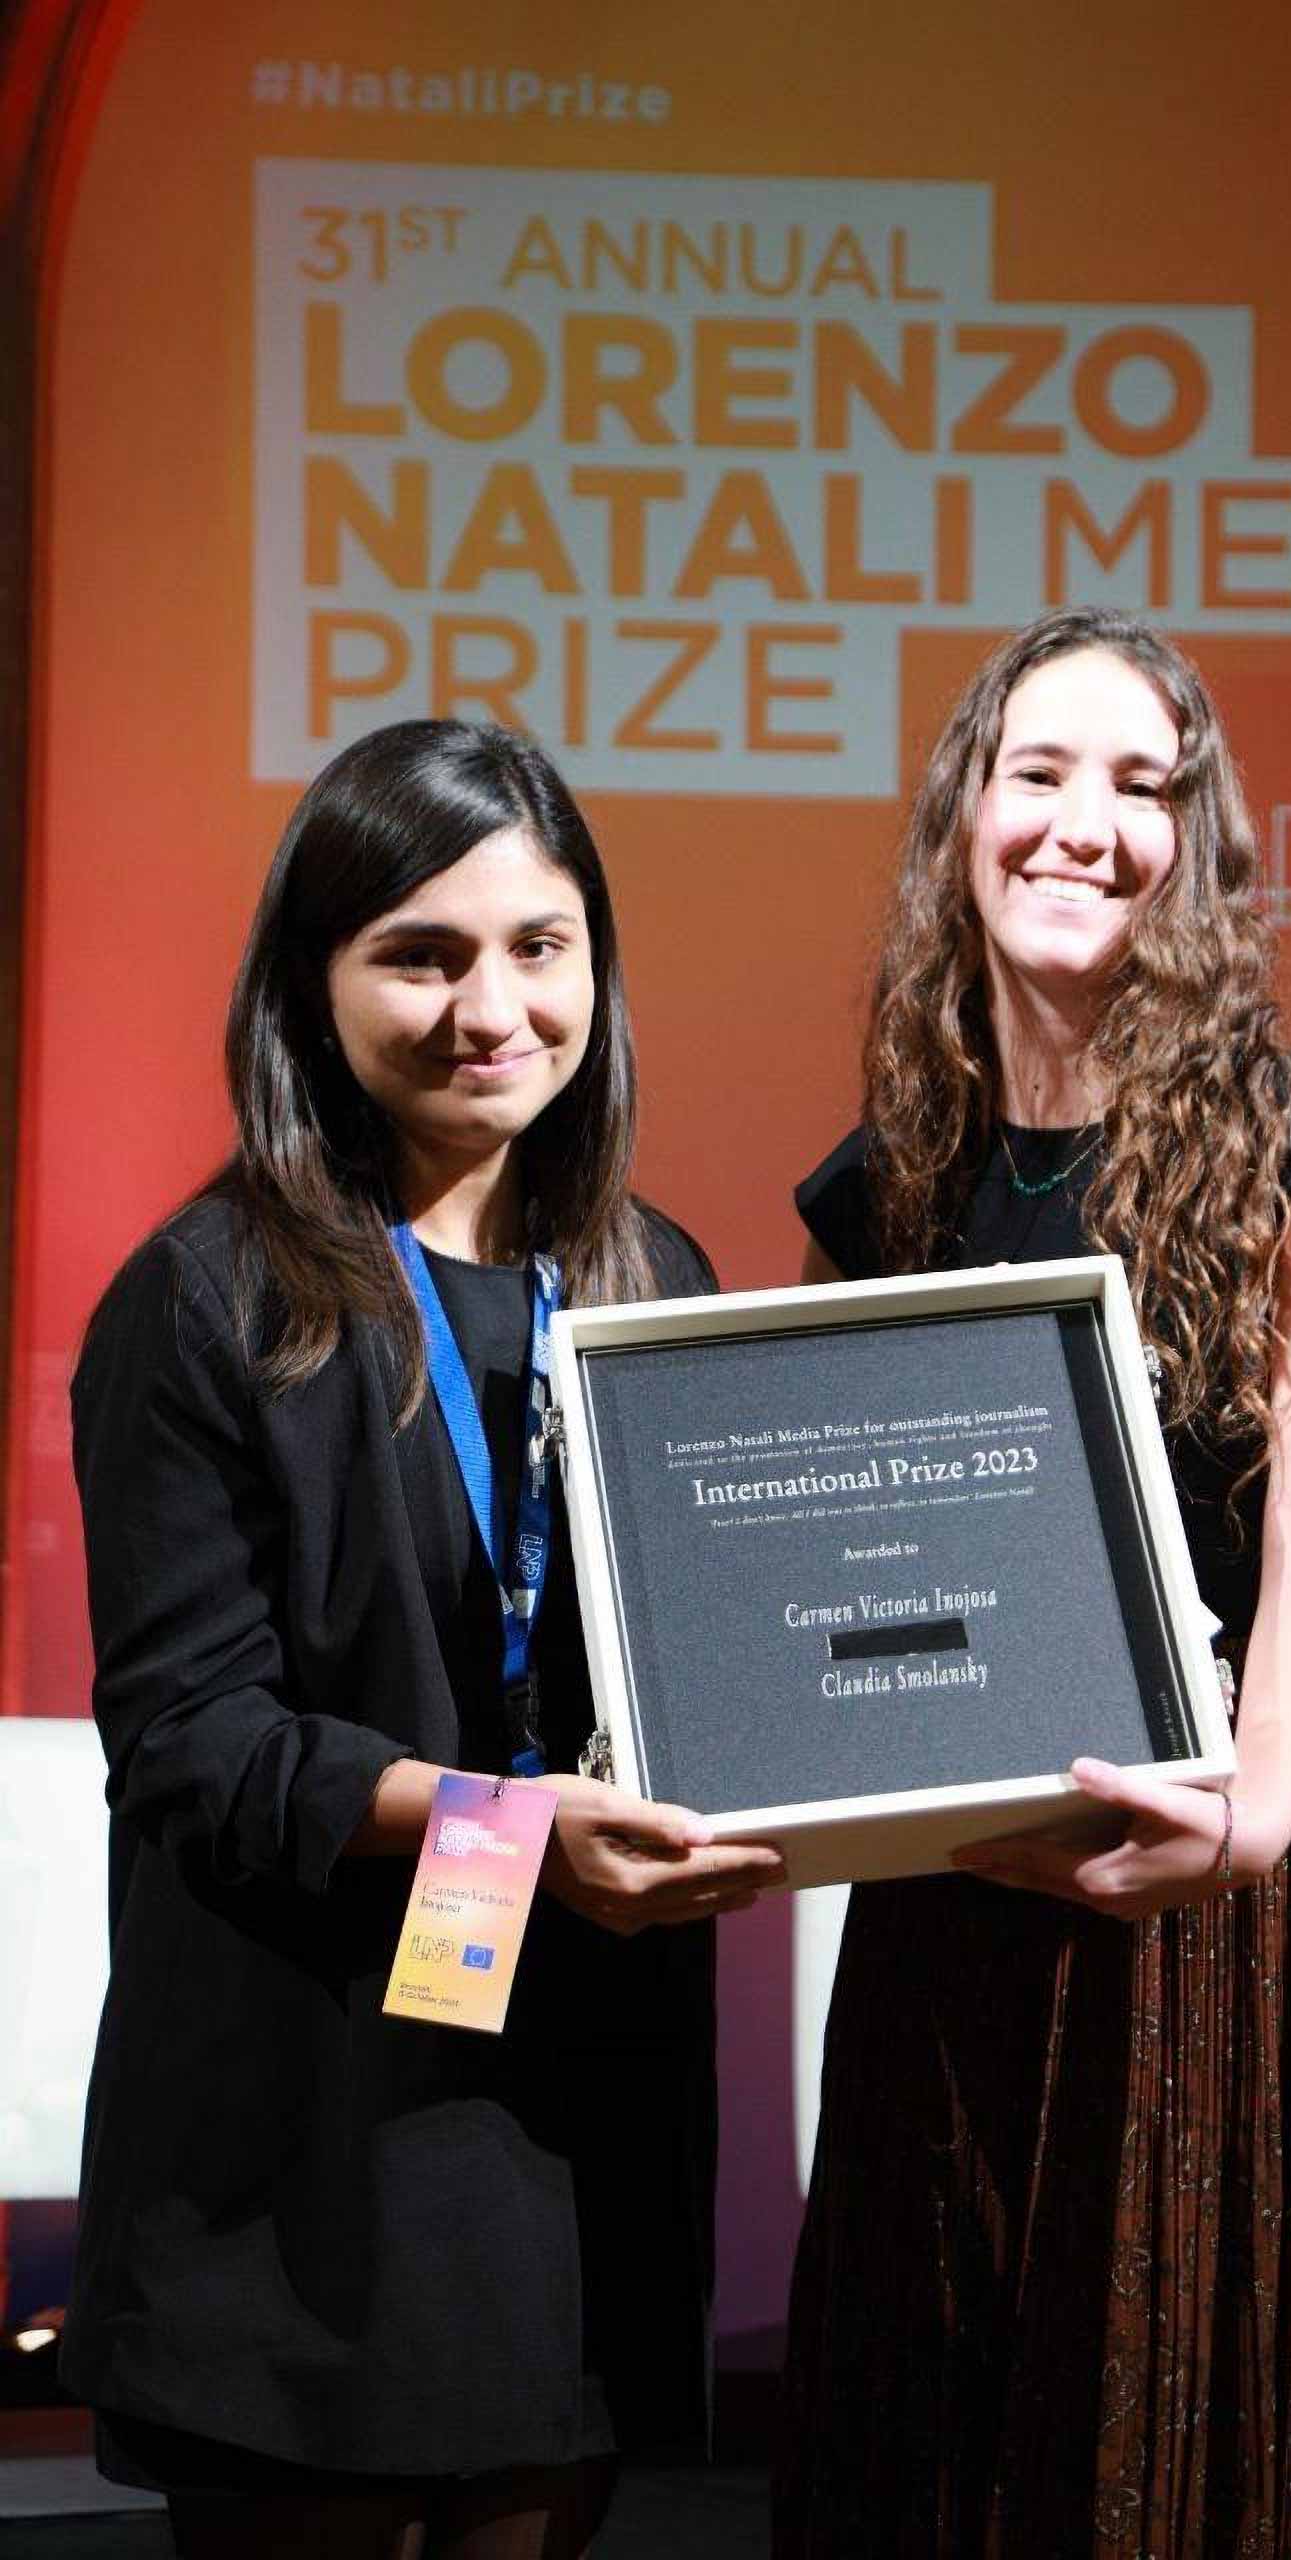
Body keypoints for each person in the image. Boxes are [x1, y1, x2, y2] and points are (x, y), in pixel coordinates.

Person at [774, 610, 1291, 2557]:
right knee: (966, 2387)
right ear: (961, 817)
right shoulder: (880, 1185)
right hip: (968, 1879)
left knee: (1272, 2420)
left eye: (1140, 784)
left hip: (1264, 1861)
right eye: (1038, 772)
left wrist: (1242, 1822)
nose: (1083, 823)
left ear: (1197, 844)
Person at [62, 720, 783, 2560]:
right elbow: (189, 1745)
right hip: (313, 2128)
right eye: (421, 953)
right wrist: (509, 1831)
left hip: (566, 2111)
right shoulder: (209, 1300)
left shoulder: (652, 1282)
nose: (494, 1005)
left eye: (541, 948)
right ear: (315, 985)